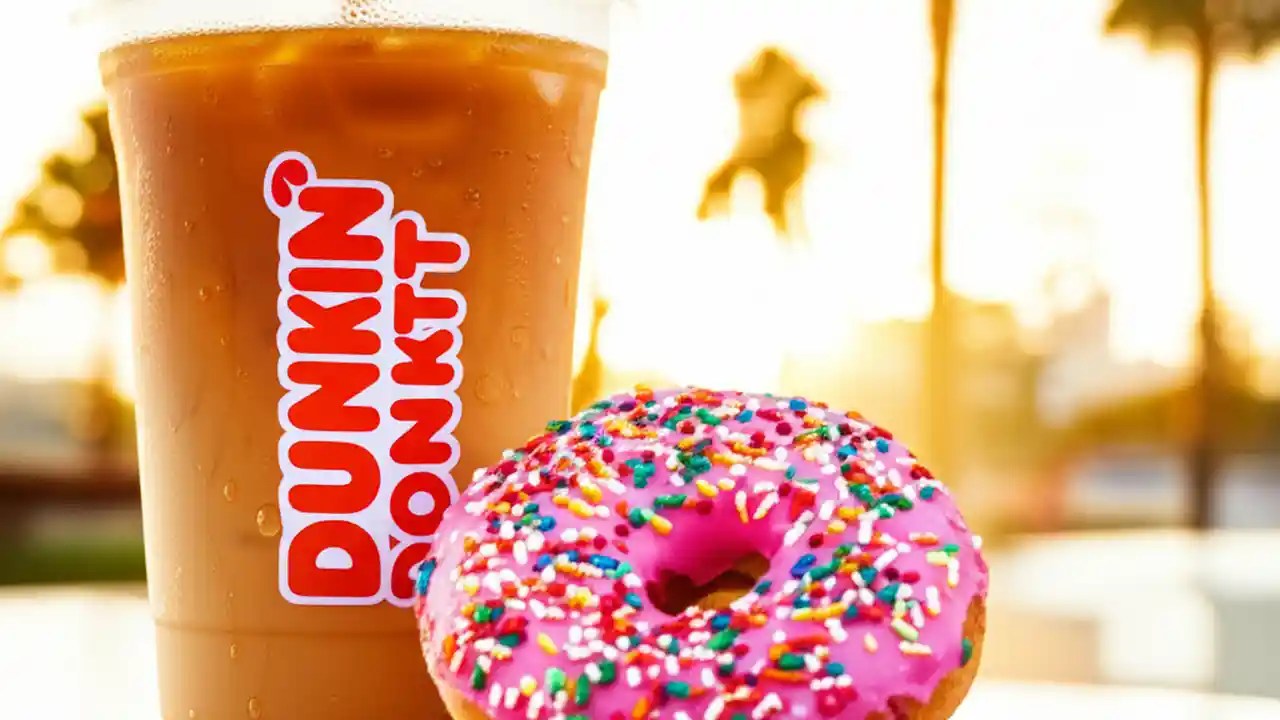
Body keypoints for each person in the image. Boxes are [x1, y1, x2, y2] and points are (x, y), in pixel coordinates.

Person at [697, 47, 824, 237]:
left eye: (763, 101)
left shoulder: (811, 169)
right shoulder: (725, 184)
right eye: (747, 102)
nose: (752, 117)